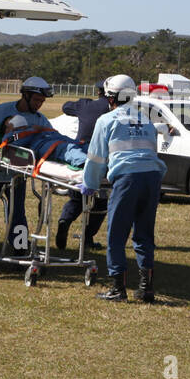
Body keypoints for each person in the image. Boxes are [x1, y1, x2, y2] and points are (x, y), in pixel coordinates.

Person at [83, 74, 166, 302]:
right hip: (152, 178)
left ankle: (118, 289)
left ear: (111, 98)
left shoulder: (106, 120)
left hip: (127, 180)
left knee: (116, 235)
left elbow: (96, 159)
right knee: (144, 235)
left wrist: (89, 184)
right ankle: (146, 288)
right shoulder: (146, 119)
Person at [0, 76, 54, 277]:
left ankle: (20, 247)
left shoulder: (40, 120)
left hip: (16, 174)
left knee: (17, 214)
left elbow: (51, 137)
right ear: (26, 95)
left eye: (42, 102)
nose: (40, 105)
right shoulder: (1, 112)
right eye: (37, 100)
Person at [55, 84, 111, 254]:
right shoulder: (114, 111)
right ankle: (88, 237)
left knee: (77, 198)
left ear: (99, 92)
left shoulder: (85, 105)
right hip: (102, 158)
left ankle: (65, 220)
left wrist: (83, 105)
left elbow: (65, 107)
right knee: (101, 201)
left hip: (80, 156)